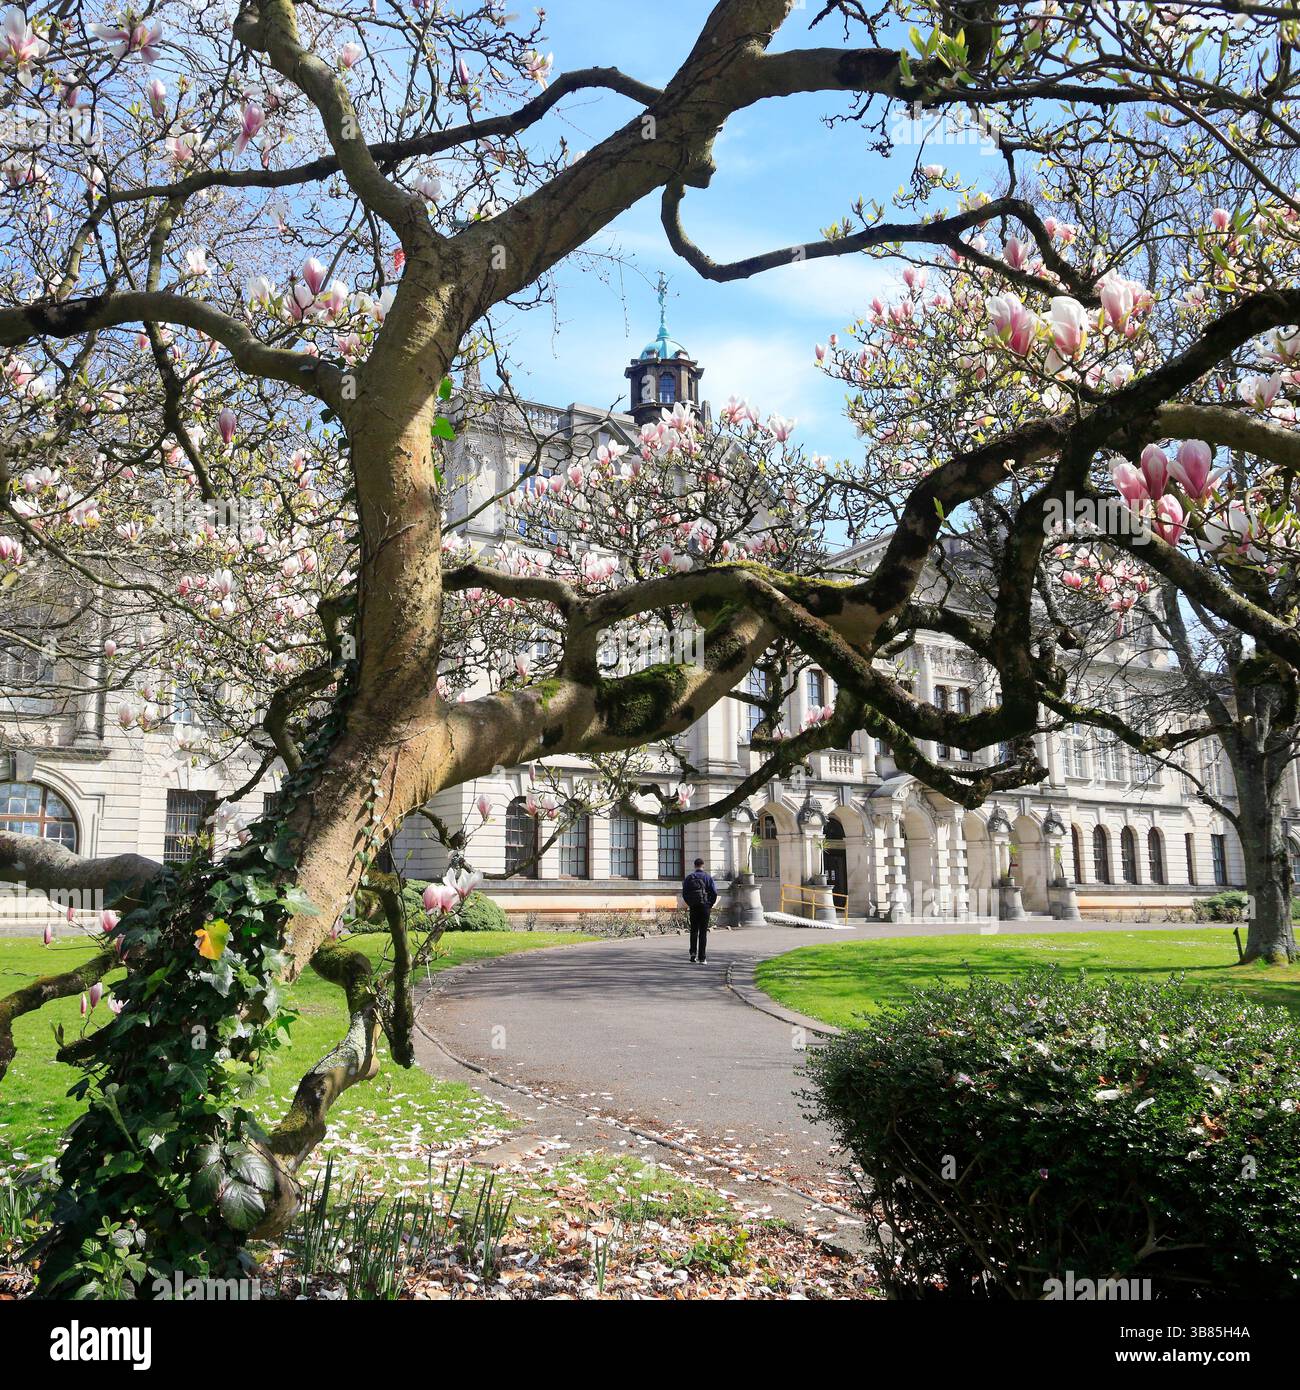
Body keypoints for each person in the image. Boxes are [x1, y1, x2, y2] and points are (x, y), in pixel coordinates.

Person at [681, 858, 718, 964]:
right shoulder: (707, 877)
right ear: (703, 865)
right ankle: (702, 958)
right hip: (705, 907)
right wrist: (710, 904)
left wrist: (690, 903)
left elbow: (685, 893)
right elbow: (714, 892)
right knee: (703, 932)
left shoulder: (689, 878)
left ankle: (693, 954)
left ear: (694, 866)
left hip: (694, 907)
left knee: (693, 931)